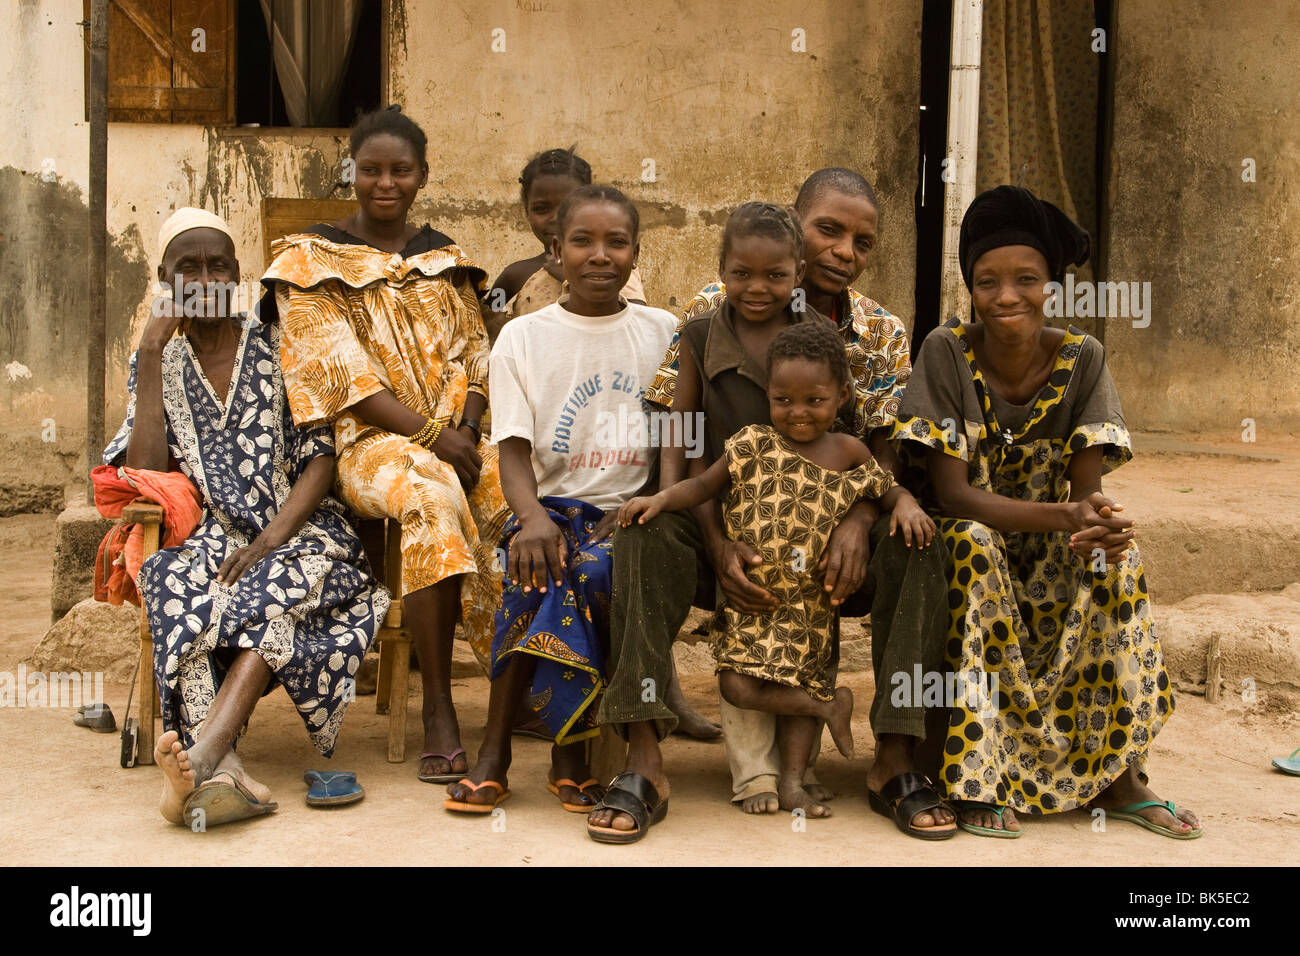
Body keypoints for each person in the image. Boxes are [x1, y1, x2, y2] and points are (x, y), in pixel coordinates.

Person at [591, 173, 955, 841]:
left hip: (824, 535)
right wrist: (709, 537)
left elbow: (877, 453)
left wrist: (860, 519)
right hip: (721, 519)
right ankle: (643, 758)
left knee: (917, 544)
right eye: (829, 231)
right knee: (642, 536)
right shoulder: (704, 324)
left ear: (793, 272)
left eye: (861, 240)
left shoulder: (839, 337)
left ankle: (896, 756)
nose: (757, 287)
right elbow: (683, 435)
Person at [892, 184, 1201, 839]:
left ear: (1051, 287)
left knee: (1115, 563)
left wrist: (1101, 524)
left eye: (1026, 280)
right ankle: (978, 777)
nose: (1007, 296)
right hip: (967, 537)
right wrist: (1067, 517)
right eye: (988, 282)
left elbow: (1086, 490)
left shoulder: (1084, 358)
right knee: (974, 544)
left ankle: (1120, 778)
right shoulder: (946, 350)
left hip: (1049, 540)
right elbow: (953, 495)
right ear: (970, 288)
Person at [105, 207, 390, 827]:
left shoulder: (281, 345)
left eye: (219, 266)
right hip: (212, 537)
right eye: (189, 268)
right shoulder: (158, 361)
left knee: (275, 592)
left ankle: (205, 753)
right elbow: (146, 472)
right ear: (164, 279)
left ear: (238, 276)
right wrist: (150, 350)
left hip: (303, 533)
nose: (206, 279)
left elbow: (319, 460)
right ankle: (223, 767)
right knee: (173, 582)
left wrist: (266, 542)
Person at [263, 106, 507, 785]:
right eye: (371, 170)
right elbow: (338, 375)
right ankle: (439, 708)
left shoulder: (445, 260)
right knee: (430, 495)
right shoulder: (308, 262)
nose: (386, 183)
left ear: (422, 175)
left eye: (401, 170)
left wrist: (468, 429)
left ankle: (522, 682)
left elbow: (476, 353)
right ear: (352, 172)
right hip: (373, 446)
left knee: (515, 497)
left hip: (458, 437)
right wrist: (431, 435)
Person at [620, 321, 926, 817]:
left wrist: (907, 504)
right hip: (752, 601)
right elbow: (702, 488)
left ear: (843, 396)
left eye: (814, 401)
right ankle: (829, 706)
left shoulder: (849, 452)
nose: (798, 412)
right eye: (783, 400)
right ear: (768, 396)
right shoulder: (751, 443)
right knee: (737, 685)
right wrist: (659, 499)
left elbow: (886, 490)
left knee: (799, 688)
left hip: (811, 604)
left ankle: (793, 782)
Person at [445, 184, 677, 815]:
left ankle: (559, 751)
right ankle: (507, 750)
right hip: (548, 508)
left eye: (617, 242)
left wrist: (647, 505)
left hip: (633, 513)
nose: (600, 255)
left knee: (595, 571)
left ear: (636, 254)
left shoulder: (663, 332)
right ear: (555, 251)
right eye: (582, 241)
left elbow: (677, 440)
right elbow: (513, 452)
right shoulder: (523, 337)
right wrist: (531, 520)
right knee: (534, 567)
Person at [485, 147, 645, 340]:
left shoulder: (612, 270)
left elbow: (637, 322)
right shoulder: (513, 277)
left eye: (566, 207)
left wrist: (569, 279)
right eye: (541, 209)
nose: (555, 218)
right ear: (526, 212)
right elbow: (487, 334)